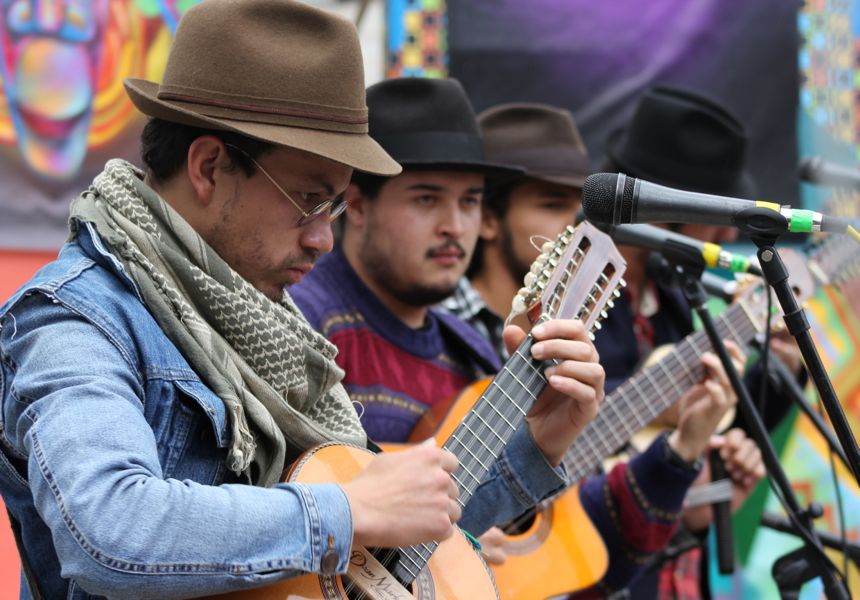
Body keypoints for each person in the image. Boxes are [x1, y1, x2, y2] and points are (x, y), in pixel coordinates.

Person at [0, 3, 599, 598]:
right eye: (309, 200)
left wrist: (536, 444)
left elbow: (385, 560)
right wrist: (346, 510)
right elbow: (110, 530)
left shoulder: (265, 321)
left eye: (334, 207)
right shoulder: (74, 318)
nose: (323, 239)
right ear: (209, 167)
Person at [439, 102, 759, 597]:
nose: (577, 226)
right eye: (552, 205)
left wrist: (686, 458)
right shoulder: (454, 334)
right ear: (490, 218)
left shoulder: (667, 302)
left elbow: (586, 515)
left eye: (579, 208)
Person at [596, 85, 782, 598]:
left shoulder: (676, 301)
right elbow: (553, 432)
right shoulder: (577, 293)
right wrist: (654, 401)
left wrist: (781, 366)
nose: (727, 238)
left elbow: (719, 430)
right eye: (718, 220)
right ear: (662, 212)